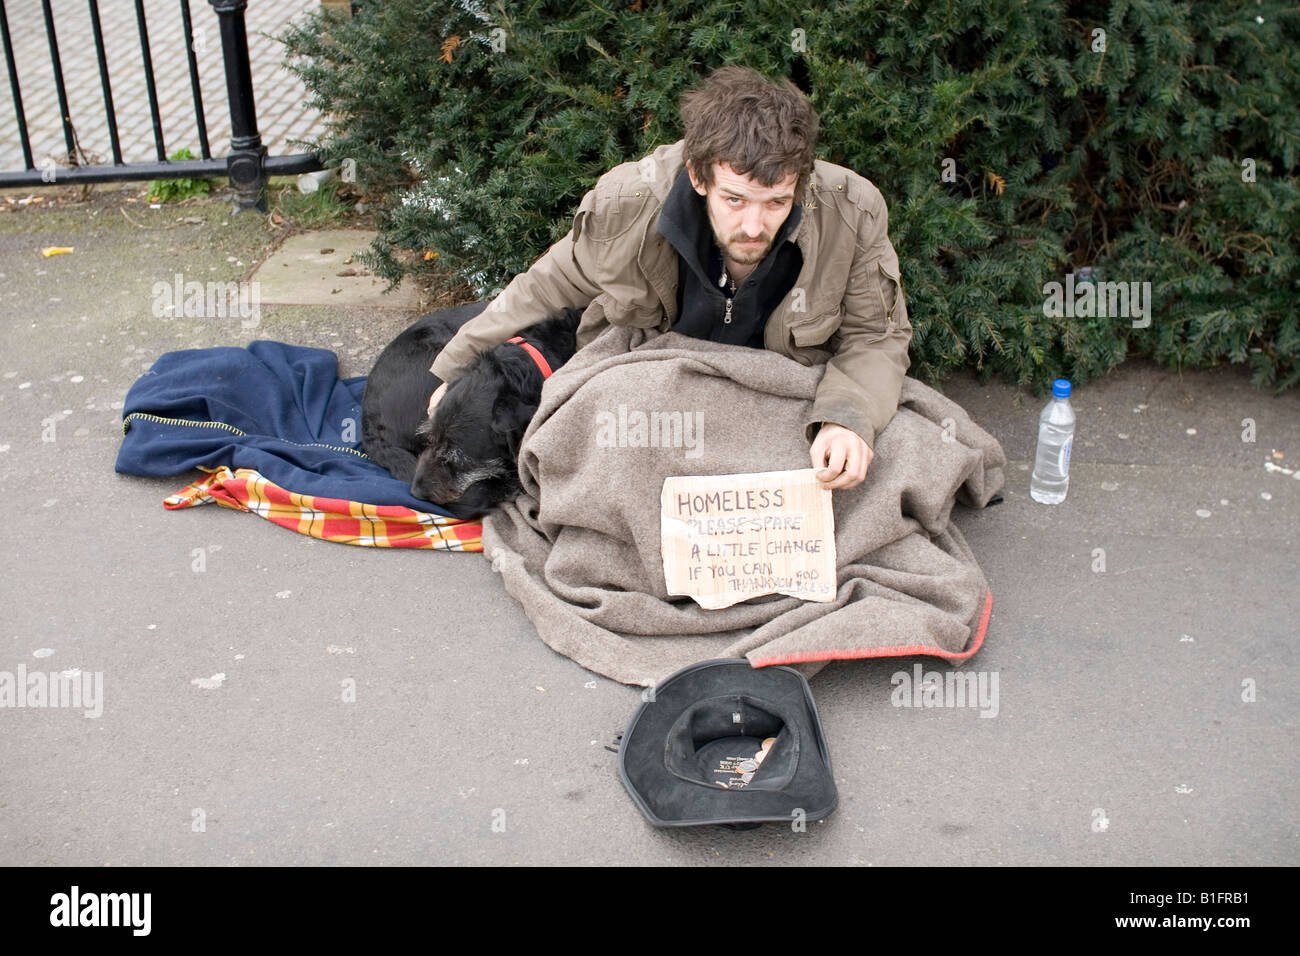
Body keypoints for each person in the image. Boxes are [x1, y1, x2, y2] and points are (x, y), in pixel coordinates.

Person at [426, 65, 911, 490]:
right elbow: (543, 288)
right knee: (591, 464)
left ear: (800, 185)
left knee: (889, 464)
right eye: (735, 200)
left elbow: (876, 336)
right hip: (655, 387)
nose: (753, 227)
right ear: (699, 177)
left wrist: (846, 421)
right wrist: (453, 370)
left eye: (776, 204)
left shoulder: (853, 211)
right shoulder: (627, 205)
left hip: (778, 392)